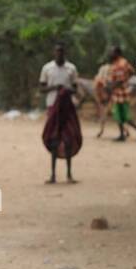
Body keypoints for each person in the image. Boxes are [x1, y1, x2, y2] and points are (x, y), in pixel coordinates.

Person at [40, 42, 81, 183]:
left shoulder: (71, 69)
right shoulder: (47, 68)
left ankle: (69, 174)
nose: (59, 54)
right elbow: (42, 88)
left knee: (69, 139)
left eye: (61, 52)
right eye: (57, 52)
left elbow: (76, 88)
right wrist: (54, 88)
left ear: (65, 53)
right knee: (54, 139)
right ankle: (53, 175)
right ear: (54, 53)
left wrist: (67, 90)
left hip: (67, 107)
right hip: (52, 106)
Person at [106, 45, 136, 142]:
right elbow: (131, 71)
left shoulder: (121, 64)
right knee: (118, 115)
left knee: (125, 116)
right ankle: (122, 135)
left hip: (121, 93)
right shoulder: (116, 63)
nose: (110, 54)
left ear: (117, 53)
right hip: (116, 93)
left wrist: (114, 85)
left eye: (112, 52)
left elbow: (120, 80)